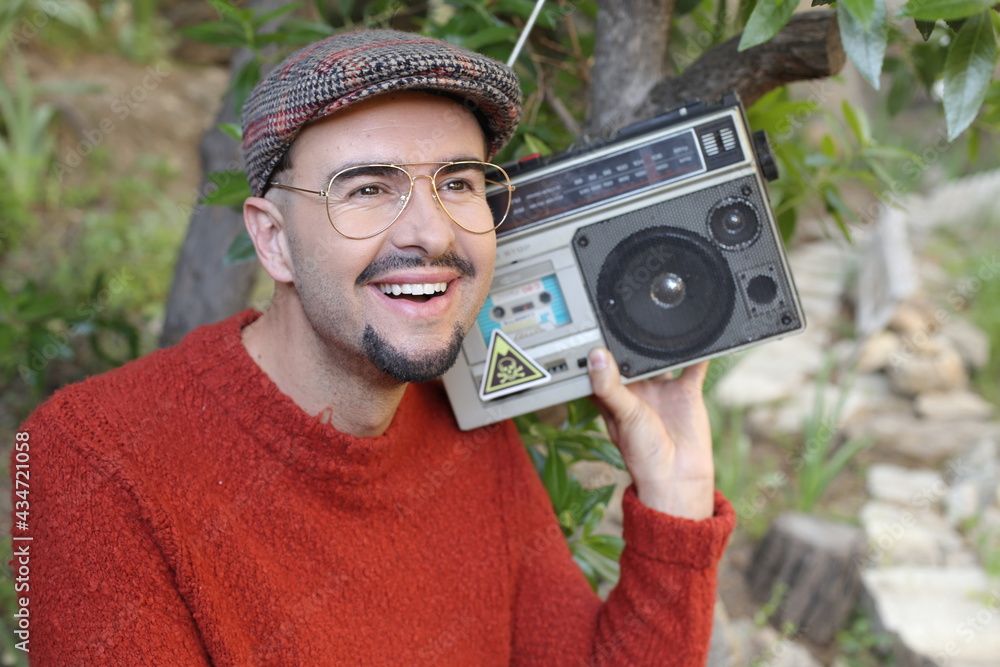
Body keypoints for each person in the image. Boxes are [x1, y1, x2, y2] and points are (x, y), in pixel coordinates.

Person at [12, 29, 734, 665]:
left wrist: (676, 504)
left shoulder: (462, 418)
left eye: (458, 182)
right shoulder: (94, 456)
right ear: (273, 240)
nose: (434, 232)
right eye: (367, 189)